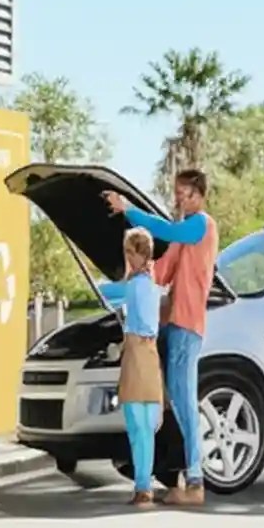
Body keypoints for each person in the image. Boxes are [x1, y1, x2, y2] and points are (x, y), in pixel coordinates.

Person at [104, 169, 218, 506]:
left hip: (187, 324)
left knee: (183, 400)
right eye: (177, 193)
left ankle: (195, 480)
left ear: (199, 194)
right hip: (174, 326)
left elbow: (167, 230)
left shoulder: (201, 226)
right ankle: (178, 475)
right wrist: (131, 267)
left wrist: (128, 209)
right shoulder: (182, 241)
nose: (179, 199)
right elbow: (158, 272)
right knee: (172, 403)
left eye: (184, 193)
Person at [118, 227, 165, 509]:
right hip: (150, 353)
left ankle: (143, 485)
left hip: (136, 350)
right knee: (146, 422)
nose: (127, 257)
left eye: (129, 252)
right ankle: (143, 483)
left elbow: (136, 323)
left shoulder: (134, 286)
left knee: (137, 423)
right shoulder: (152, 286)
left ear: (139, 254)